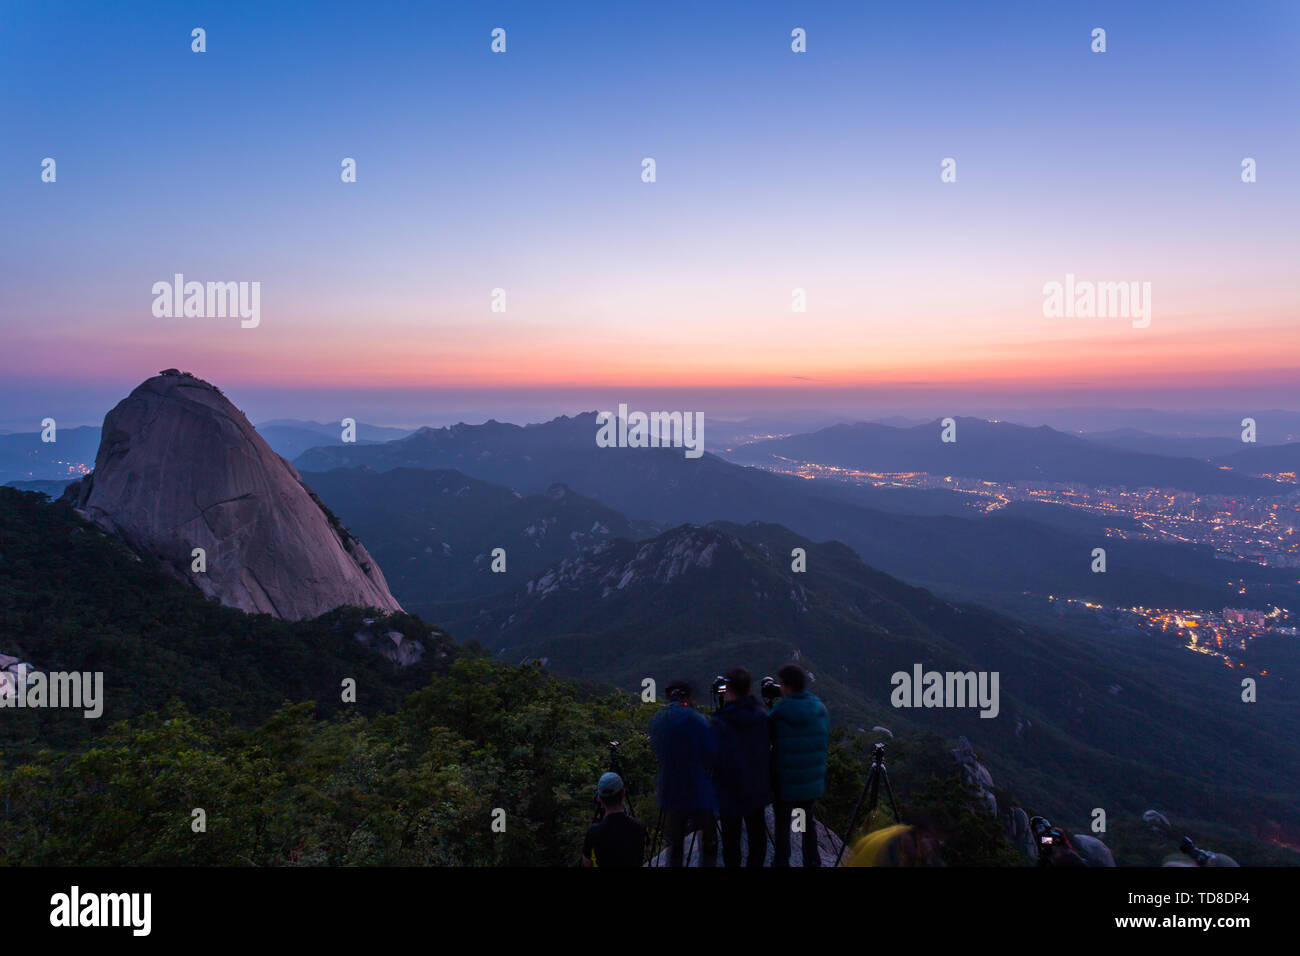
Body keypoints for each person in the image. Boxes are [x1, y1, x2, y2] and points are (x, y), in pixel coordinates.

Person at [650, 679, 719, 866]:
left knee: (675, 847)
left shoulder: (658, 720)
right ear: (688, 697)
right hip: (698, 791)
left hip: (670, 792)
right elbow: (711, 754)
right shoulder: (697, 720)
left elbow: (656, 749)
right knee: (709, 842)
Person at [768, 663, 828, 867]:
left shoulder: (782, 709)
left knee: (783, 826)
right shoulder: (818, 706)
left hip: (786, 784)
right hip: (809, 783)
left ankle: (782, 861)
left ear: (786, 685)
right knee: (803, 822)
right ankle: (811, 860)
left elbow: (766, 738)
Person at [711, 666, 771, 867]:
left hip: (730, 793)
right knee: (757, 838)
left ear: (728, 689)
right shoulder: (762, 716)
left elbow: (713, 757)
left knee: (731, 842)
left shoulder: (721, 721)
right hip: (757, 789)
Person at [580, 772, 647, 868]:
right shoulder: (638, 826)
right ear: (623, 794)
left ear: (600, 799)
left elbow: (586, 860)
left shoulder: (594, 832)